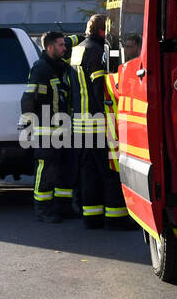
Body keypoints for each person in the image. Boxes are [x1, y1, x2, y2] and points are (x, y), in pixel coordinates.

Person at [70, 14, 129, 229]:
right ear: (103, 31)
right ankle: (116, 219)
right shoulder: (97, 51)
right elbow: (98, 88)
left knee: (88, 172)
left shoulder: (78, 50)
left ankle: (92, 218)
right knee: (110, 171)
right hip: (98, 122)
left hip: (80, 123)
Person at [21, 31, 75, 222]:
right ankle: (43, 209)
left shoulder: (61, 66)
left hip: (64, 128)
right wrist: (27, 124)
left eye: (64, 45)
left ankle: (63, 207)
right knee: (47, 169)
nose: (64, 48)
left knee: (66, 169)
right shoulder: (41, 69)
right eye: (60, 45)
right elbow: (28, 97)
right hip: (46, 129)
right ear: (50, 47)